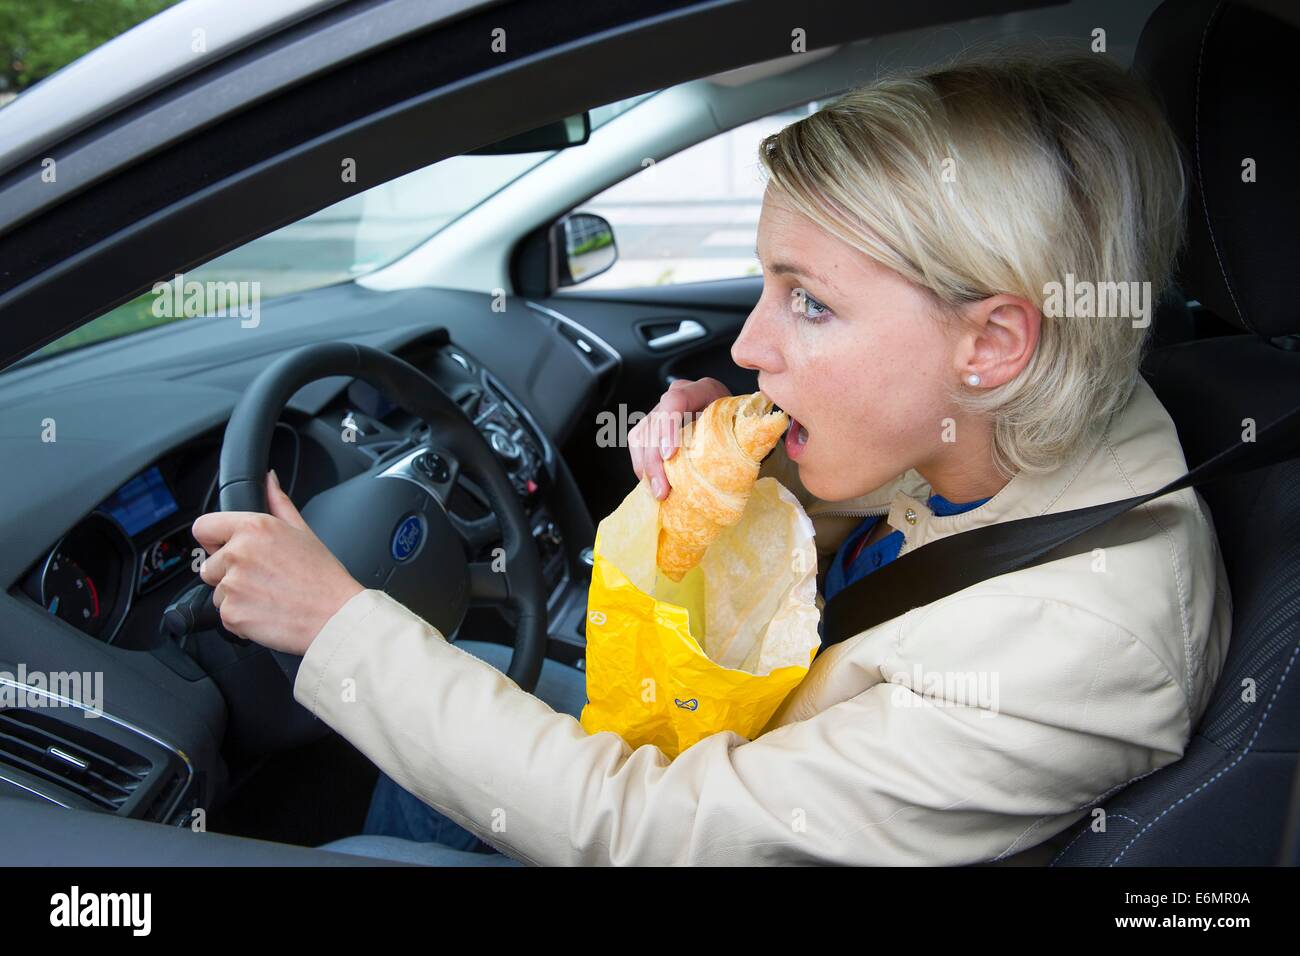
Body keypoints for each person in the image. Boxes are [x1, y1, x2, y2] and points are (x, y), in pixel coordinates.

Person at [192, 50, 1231, 866]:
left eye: (809, 301)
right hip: (744, 748)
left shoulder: (1075, 652)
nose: (745, 348)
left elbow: (653, 833)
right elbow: (901, 520)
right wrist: (733, 468)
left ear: (993, 342)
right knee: (455, 681)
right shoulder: (1028, 416)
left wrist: (334, 627)